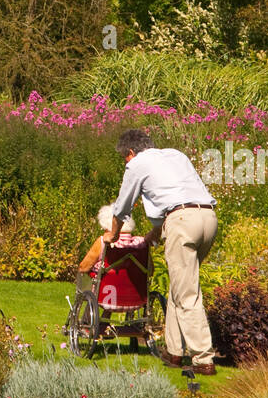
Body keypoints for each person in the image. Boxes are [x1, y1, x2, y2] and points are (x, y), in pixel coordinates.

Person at [82, 128, 219, 374]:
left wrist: (112, 235)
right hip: (208, 218)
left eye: (125, 159)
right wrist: (151, 236)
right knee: (179, 285)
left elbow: (122, 207)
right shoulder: (176, 155)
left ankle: (203, 358)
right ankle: (174, 353)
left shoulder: (137, 164)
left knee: (187, 293)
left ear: (131, 153)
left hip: (183, 222)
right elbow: (180, 198)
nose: (126, 163)